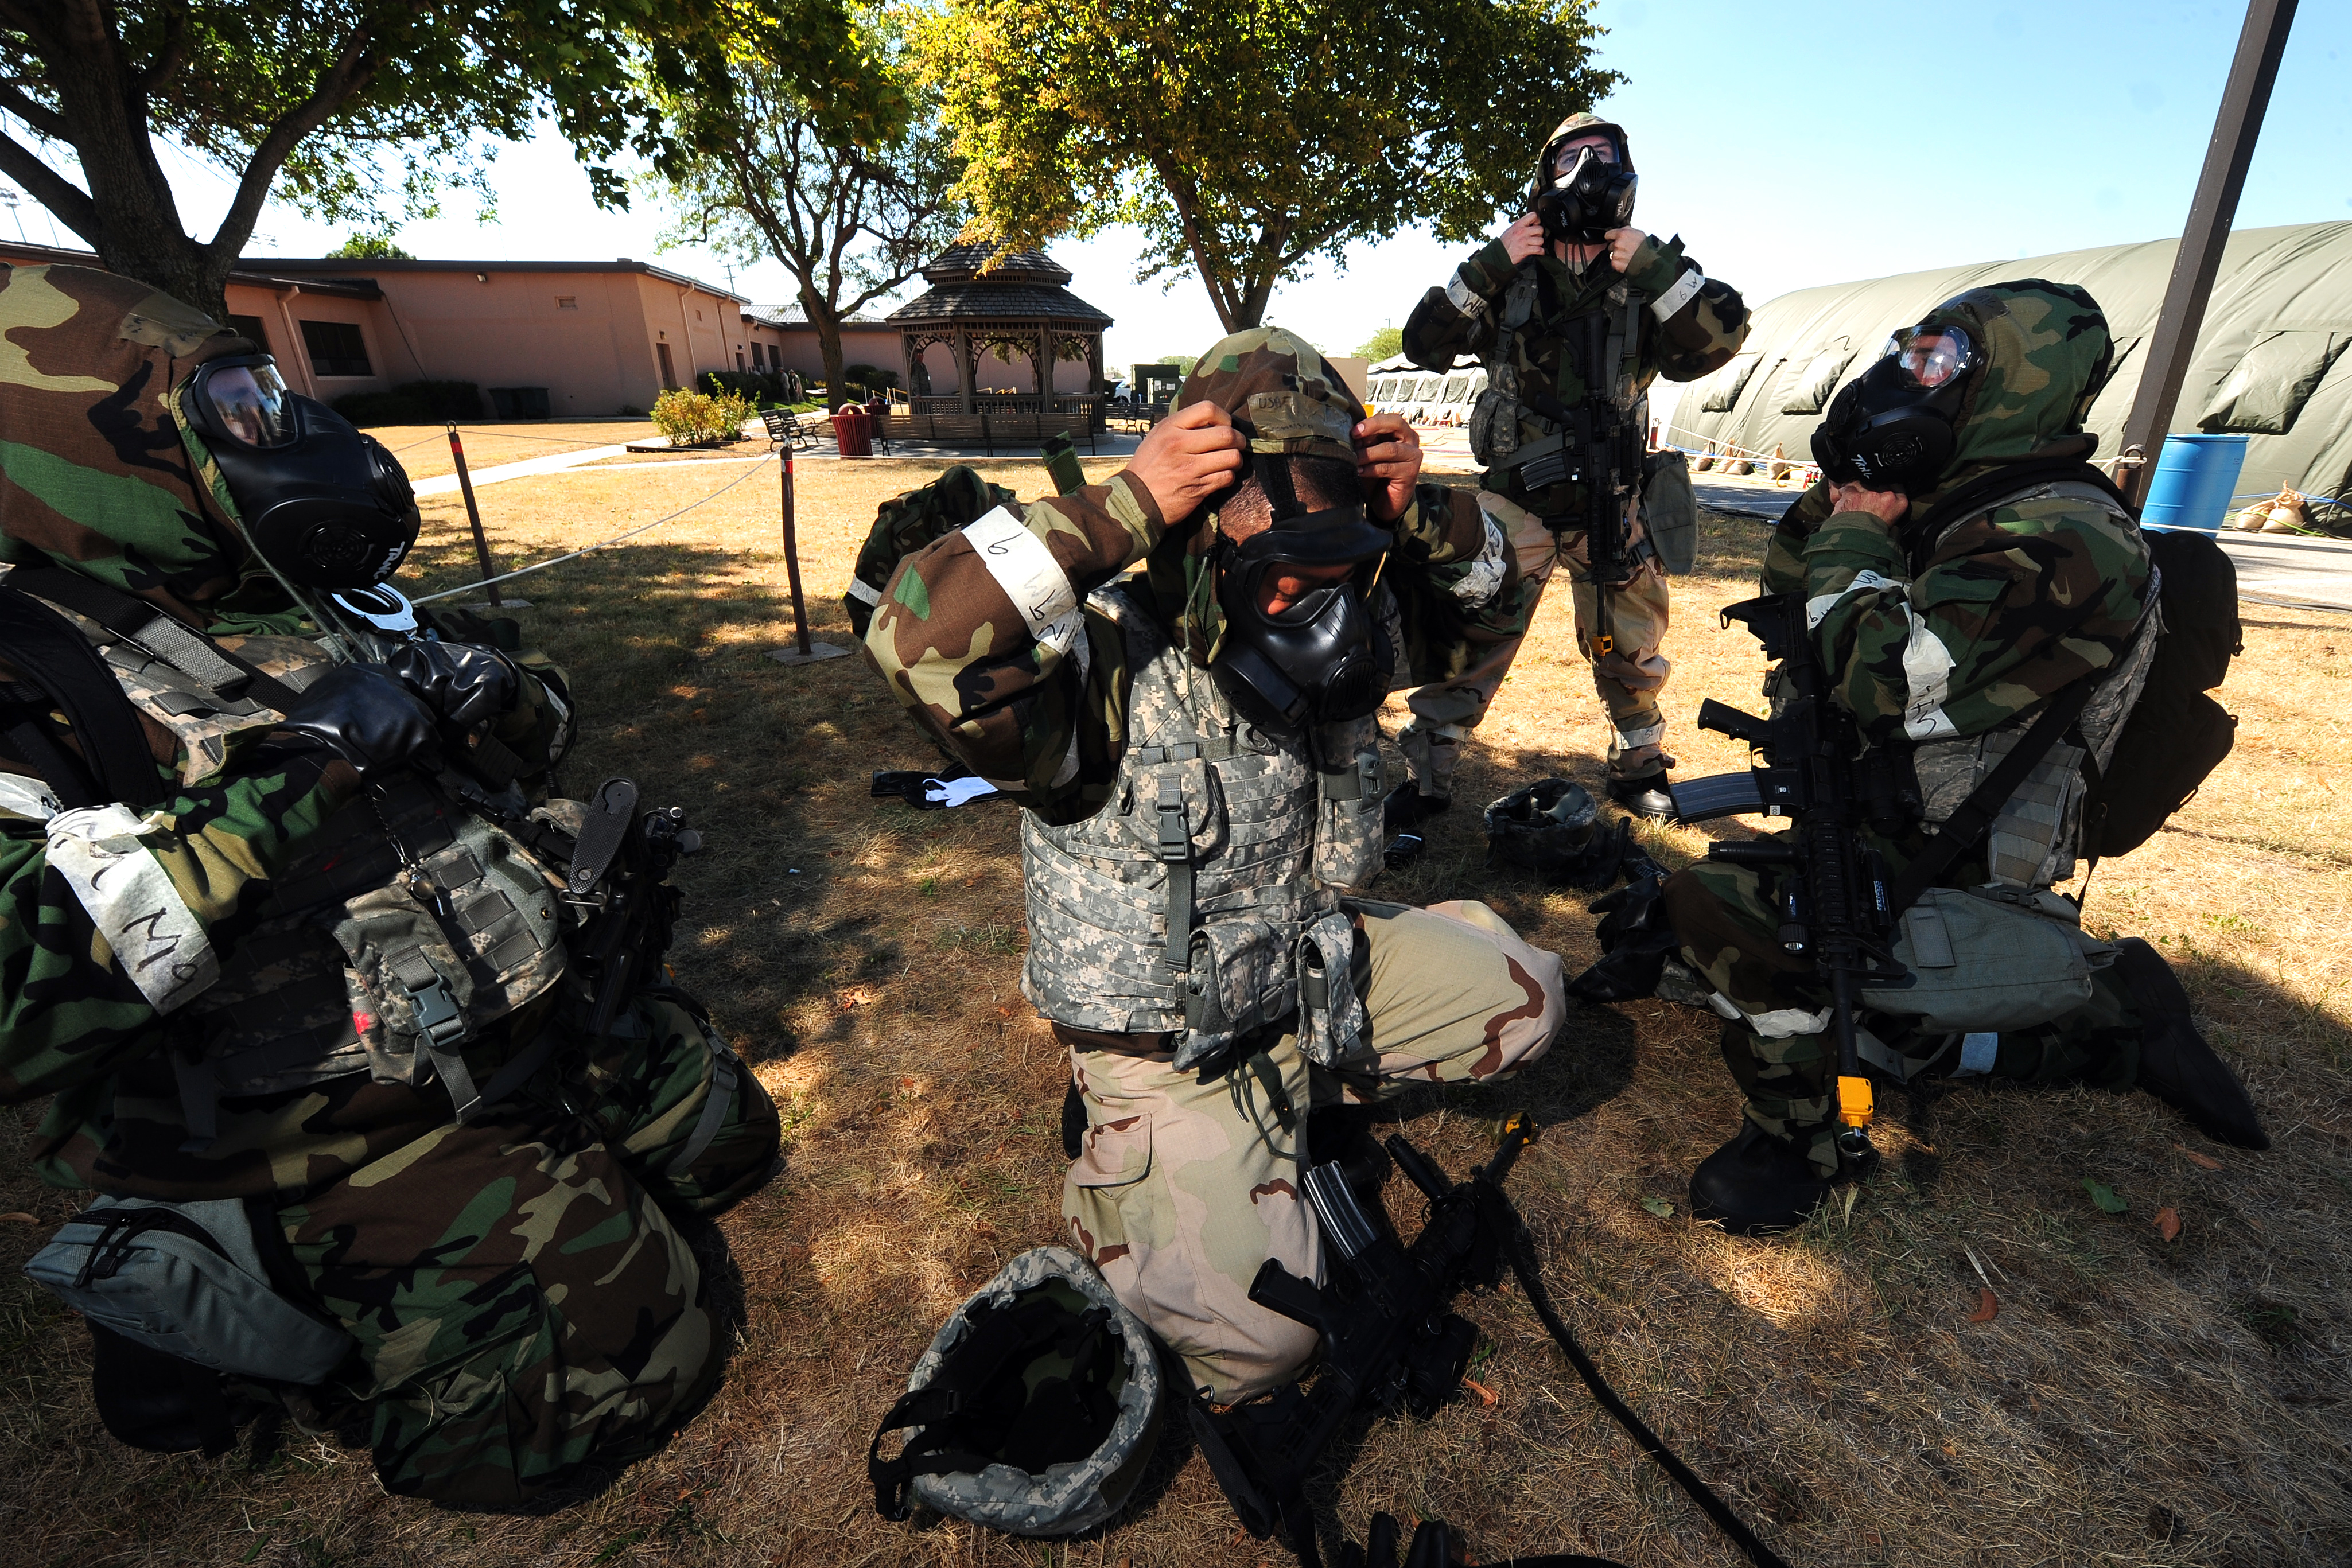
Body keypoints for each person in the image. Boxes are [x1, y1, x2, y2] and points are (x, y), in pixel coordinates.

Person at [0, 265, 780, 1502]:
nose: (275, 434)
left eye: (263, 393)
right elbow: (23, 988)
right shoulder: (33, 676)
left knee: (730, 1141)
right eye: (230, 411)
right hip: (324, 1112)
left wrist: (500, 696)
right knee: (606, 1381)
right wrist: (303, 770)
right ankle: (217, 1262)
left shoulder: (285, 595)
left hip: (514, 1013)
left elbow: (537, 736)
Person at [862, 329, 1567, 1402]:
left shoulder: (1348, 601)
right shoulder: (1094, 667)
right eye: (1289, 582)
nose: (1326, 619)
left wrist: (1419, 509)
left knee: (1532, 1006)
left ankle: (1321, 1067)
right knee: (1259, 1352)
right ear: (1200, 551)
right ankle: (1129, 1153)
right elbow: (914, 639)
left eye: (1343, 575)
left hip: (1307, 965)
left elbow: (1517, 567)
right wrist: (1123, 503)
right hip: (1172, 1044)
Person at [1658, 279, 2268, 1236]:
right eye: (1912, 360)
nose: (1913, 384)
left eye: (1939, 368)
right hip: (1888, 812)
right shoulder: (1953, 502)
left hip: (1969, 852)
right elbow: (1790, 601)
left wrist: (1858, 533)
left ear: (2012, 388)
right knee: (1720, 941)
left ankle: (1806, 1136)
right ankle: (2098, 1009)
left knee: (1737, 915)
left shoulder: (2065, 539)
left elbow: (1880, 681)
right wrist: (1839, 495)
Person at [1397, 112, 1751, 822]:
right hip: (1516, 501)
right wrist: (1490, 263)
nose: (1587, 166)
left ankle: (1639, 766)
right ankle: (1427, 776)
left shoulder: (1647, 271)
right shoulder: (1508, 268)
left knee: (1631, 644)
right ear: (1544, 173)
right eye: (1571, 154)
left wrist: (1654, 266)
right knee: (1471, 628)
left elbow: (1722, 339)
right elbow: (1422, 344)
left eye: (1602, 153)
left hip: (1613, 500)